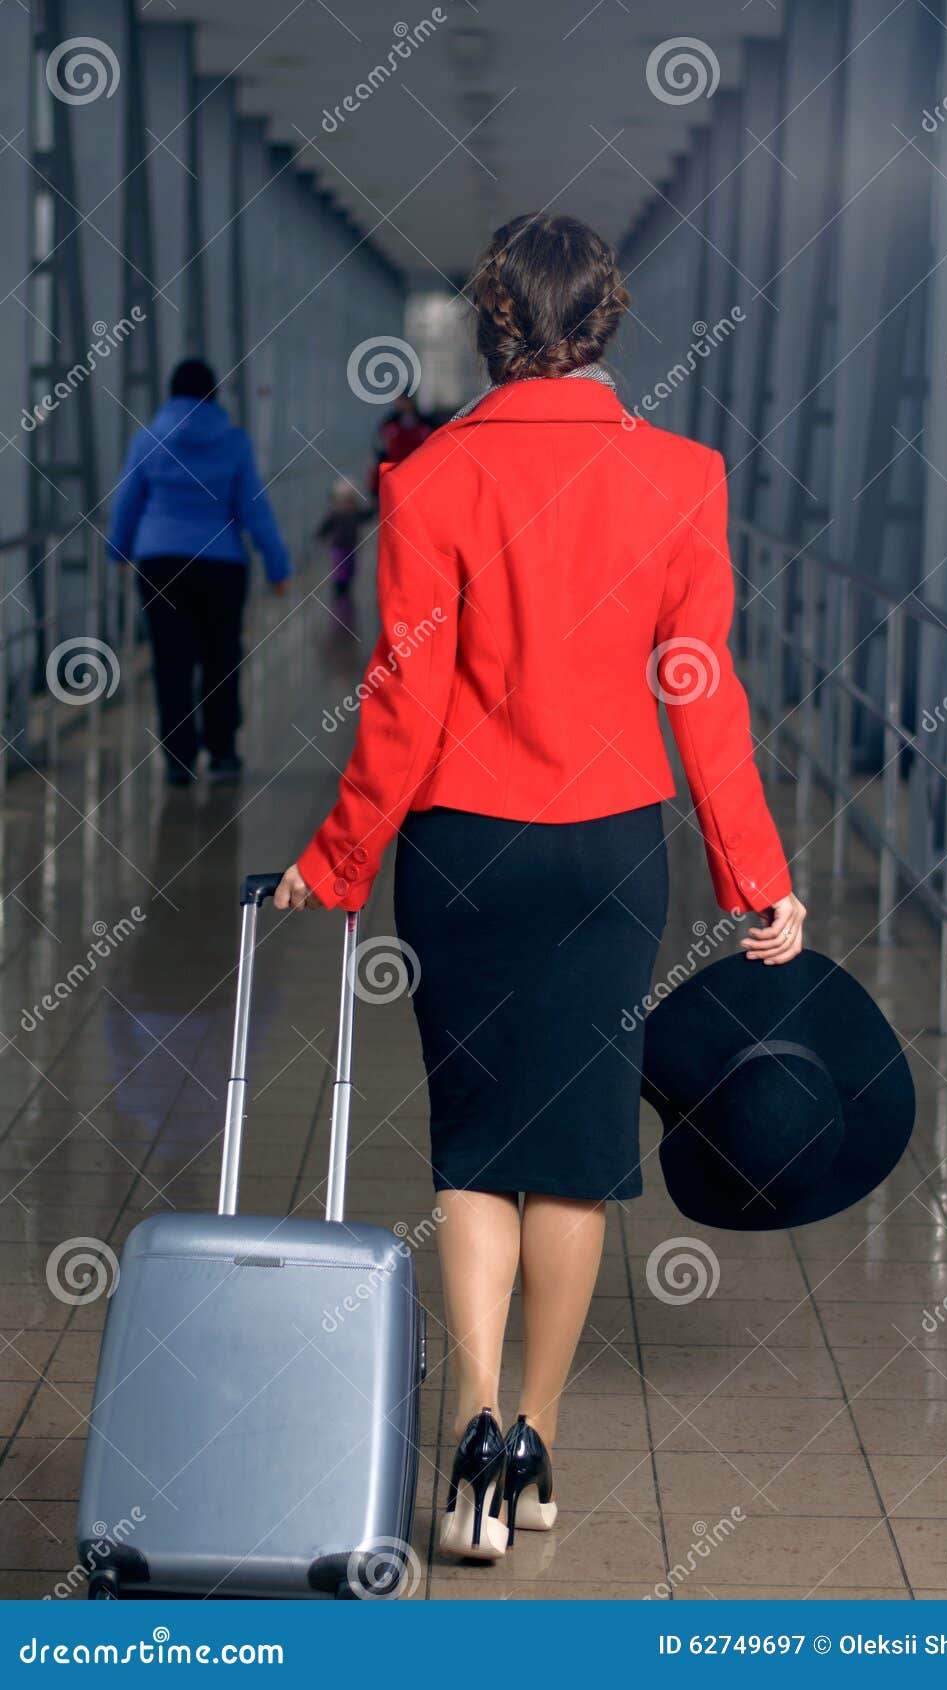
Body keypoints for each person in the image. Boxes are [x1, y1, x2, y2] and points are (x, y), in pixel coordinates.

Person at [275, 213, 806, 1560]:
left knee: (472, 1151)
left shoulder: (434, 475)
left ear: (496, 323)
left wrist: (334, 859)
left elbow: (402, 695)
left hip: (463, 847)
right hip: (610, 852)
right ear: (606, 321)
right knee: (574, 1153)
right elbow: (700, 687)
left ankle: (464, 1444)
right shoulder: (682, 475)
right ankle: (537, 1445)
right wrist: (757, 877)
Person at [107, 358, 291, 786]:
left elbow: (127, 500)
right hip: (220, 566)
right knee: (220, 657)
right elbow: (254, 509)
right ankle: (223, 752)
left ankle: (179, 759)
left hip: (159, 562)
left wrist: (117, 551)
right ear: (214, 395)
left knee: (171, 660)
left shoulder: (148, 439)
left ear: (171, 394)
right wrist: (277, 565)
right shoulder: (234, 442)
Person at [316, 478, 366, 599]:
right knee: (339, 567)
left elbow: (365, 515)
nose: (347, 504)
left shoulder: (355, 513)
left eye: (350, 501)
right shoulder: (334, 514)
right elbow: (325, 525)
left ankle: (345, 588)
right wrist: (320, 534)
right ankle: (339, 589)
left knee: (350, 567)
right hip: (338, 546)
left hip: (351, 546)